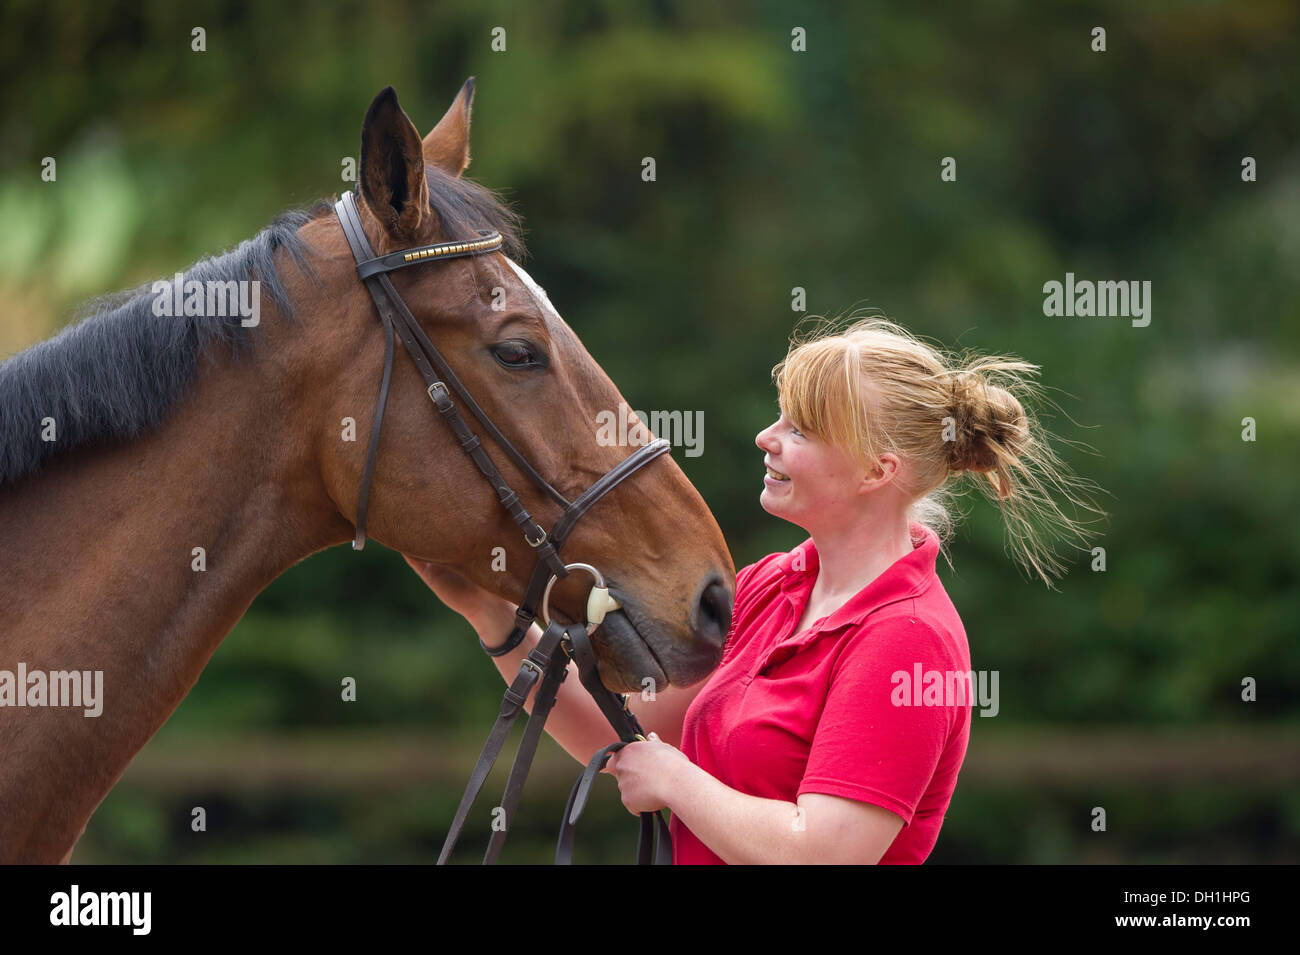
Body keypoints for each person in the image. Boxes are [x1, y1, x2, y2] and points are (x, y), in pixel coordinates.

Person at [406, 315, 1105, 864]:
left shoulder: (908, 639)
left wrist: (677, 781)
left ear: (875, 471)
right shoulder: (774, 584)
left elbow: (825, 852)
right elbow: (632, 732)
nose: (766, 436)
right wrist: (493, 616)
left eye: (799, 428)